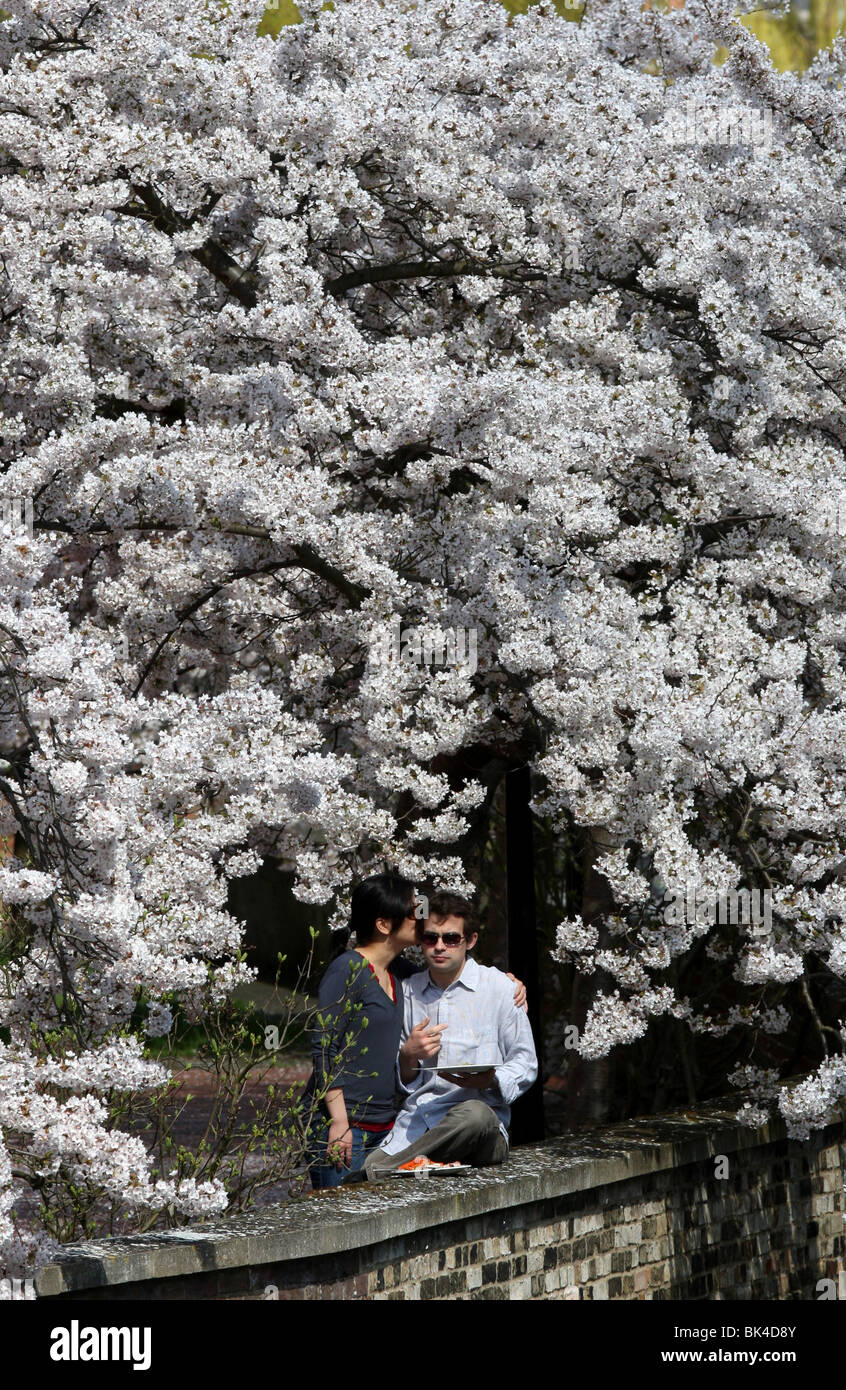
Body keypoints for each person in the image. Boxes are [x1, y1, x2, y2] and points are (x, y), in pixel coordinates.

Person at [303, 876, 526, 1189]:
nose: (421, 919)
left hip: (383, 1128)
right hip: (343, 1124)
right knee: (338, 1227)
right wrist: (339, 1122)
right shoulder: (347, 969)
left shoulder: (399, 974)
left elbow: (453, 971)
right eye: (413, 913)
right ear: (383, 924)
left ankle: (378, 1169)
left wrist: (507, 984)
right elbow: (324, 1047)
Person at [363, 891, 537, 1180]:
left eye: (451, 939)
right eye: (431, 938)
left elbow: (525, 1063)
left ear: (470, 941)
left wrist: (491, 1079)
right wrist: (407, 1057)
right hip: (418, 1124)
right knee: (369, 1164)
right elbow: (403, 1081)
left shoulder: (500, 989)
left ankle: (390, 1170)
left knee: (476, 1115)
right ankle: (400, 1165)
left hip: (479, 1127)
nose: (439, 947)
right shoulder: (409, 992)